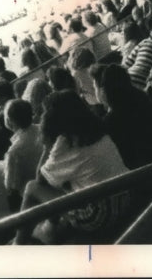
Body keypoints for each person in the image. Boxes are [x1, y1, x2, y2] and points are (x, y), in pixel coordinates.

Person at [15, 91, 129, 244]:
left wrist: (47, 145)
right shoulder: (97, 130)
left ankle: (19, 242)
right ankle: (51, 227)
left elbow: (40, 180)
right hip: (123, 197)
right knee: (61, 181)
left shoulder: (66, 142)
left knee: (31, 187)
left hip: (99, 215)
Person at [92, 65, 152, 169]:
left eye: (94, 87)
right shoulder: (145, 102)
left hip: (150, 173)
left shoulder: (111, 122)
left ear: (103, 90)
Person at [1, 99, 43, 212]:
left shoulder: (14, 151)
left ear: (9, 121)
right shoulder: (42, 130)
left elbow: (10, 186)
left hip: (27, 198)